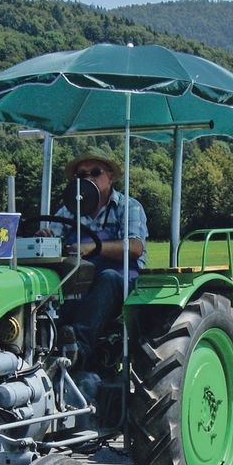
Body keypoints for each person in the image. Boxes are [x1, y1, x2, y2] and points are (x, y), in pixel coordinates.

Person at [39, 149, 148, 368]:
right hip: (78, 280)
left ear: (110, 176)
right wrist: (45, 240)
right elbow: (55, 246)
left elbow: (135, 247)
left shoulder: (128, 207)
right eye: (81, 175)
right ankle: (42, 342)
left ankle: (78, 349)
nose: (88, 178)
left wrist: (92, 248)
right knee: (49, 286)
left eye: (95, 172)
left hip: (120, 283)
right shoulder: (68, 210)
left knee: (107, 278)